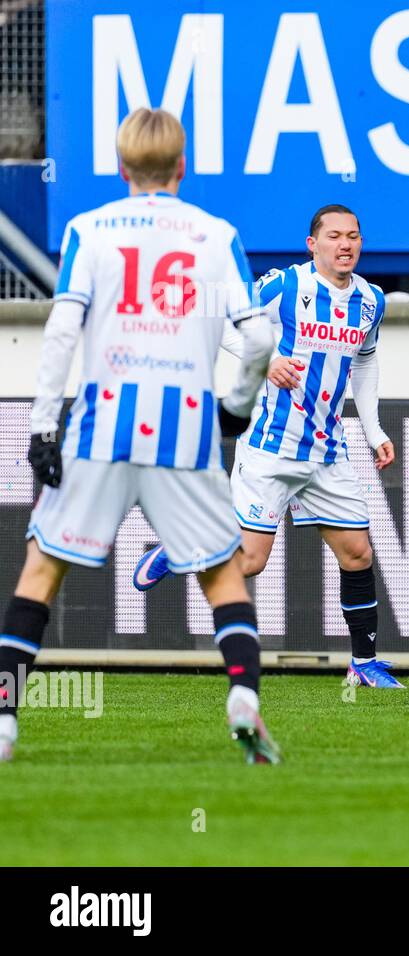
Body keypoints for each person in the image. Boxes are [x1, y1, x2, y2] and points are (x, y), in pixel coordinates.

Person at [0, 108, 278, 763]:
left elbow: (62, 331)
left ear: (122, 168)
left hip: (102, 425)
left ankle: (5, 722)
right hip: (185, 426)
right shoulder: (215, 235)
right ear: (182, 167)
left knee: (41, 570)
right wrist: (235, 409)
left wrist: (42, 427)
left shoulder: (88, 230)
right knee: (223, 576)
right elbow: (260, 336)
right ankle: (243, 698)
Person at [132, 205, 402, 690]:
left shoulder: (371, 300)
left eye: (354, 236)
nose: (346, 244)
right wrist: (271, 356)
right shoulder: (285, 286)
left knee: (358, 553)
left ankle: (364, 663)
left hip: (328, 450)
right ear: (312, 244)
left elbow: (364, 362)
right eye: (335, 236)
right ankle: (179, 550)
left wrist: (374, 431)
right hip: (271, 448)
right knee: (251, 562)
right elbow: (223, 321)